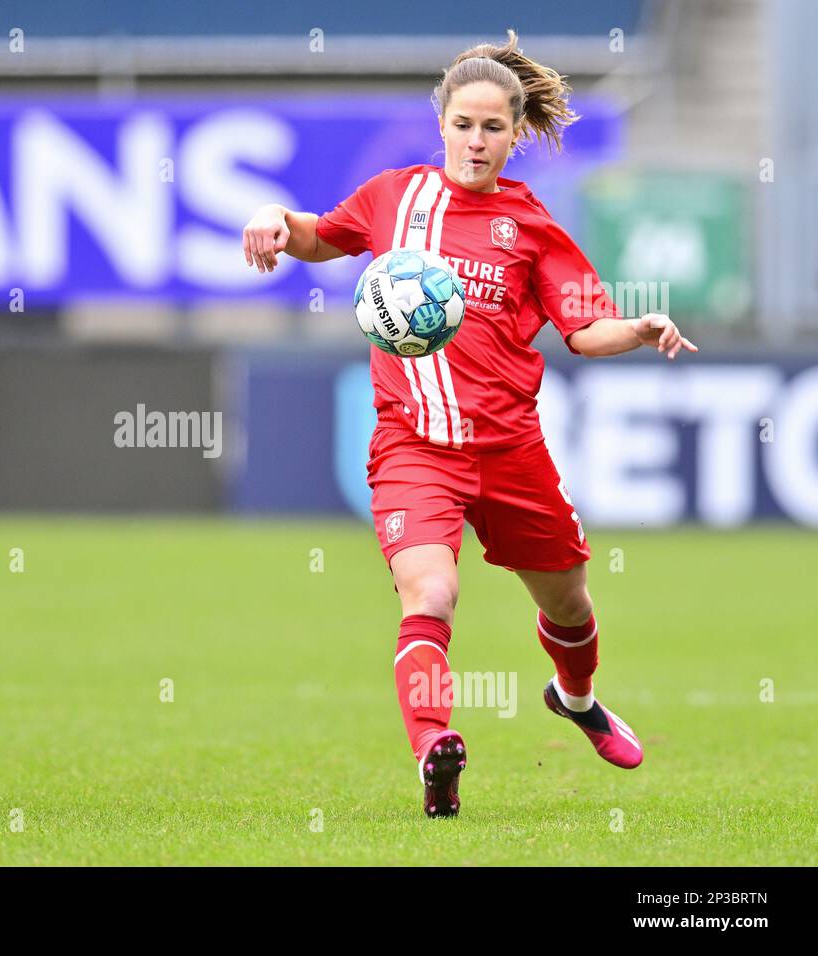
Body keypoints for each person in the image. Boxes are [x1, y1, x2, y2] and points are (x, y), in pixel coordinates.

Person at [241, 32, 697, 817]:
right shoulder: (395, 197)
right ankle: (433, 749)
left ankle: (577, 699)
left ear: (516, 134)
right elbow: (325, 235)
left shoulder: (530, 223)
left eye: (493, 128)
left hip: (510, 449)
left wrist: (640, 328)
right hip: (413, 446)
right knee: (431, 590)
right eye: (464, 124)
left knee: (570, 606)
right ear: (441, 122)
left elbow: (586, 327)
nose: (477, 141)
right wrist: (276, 220)